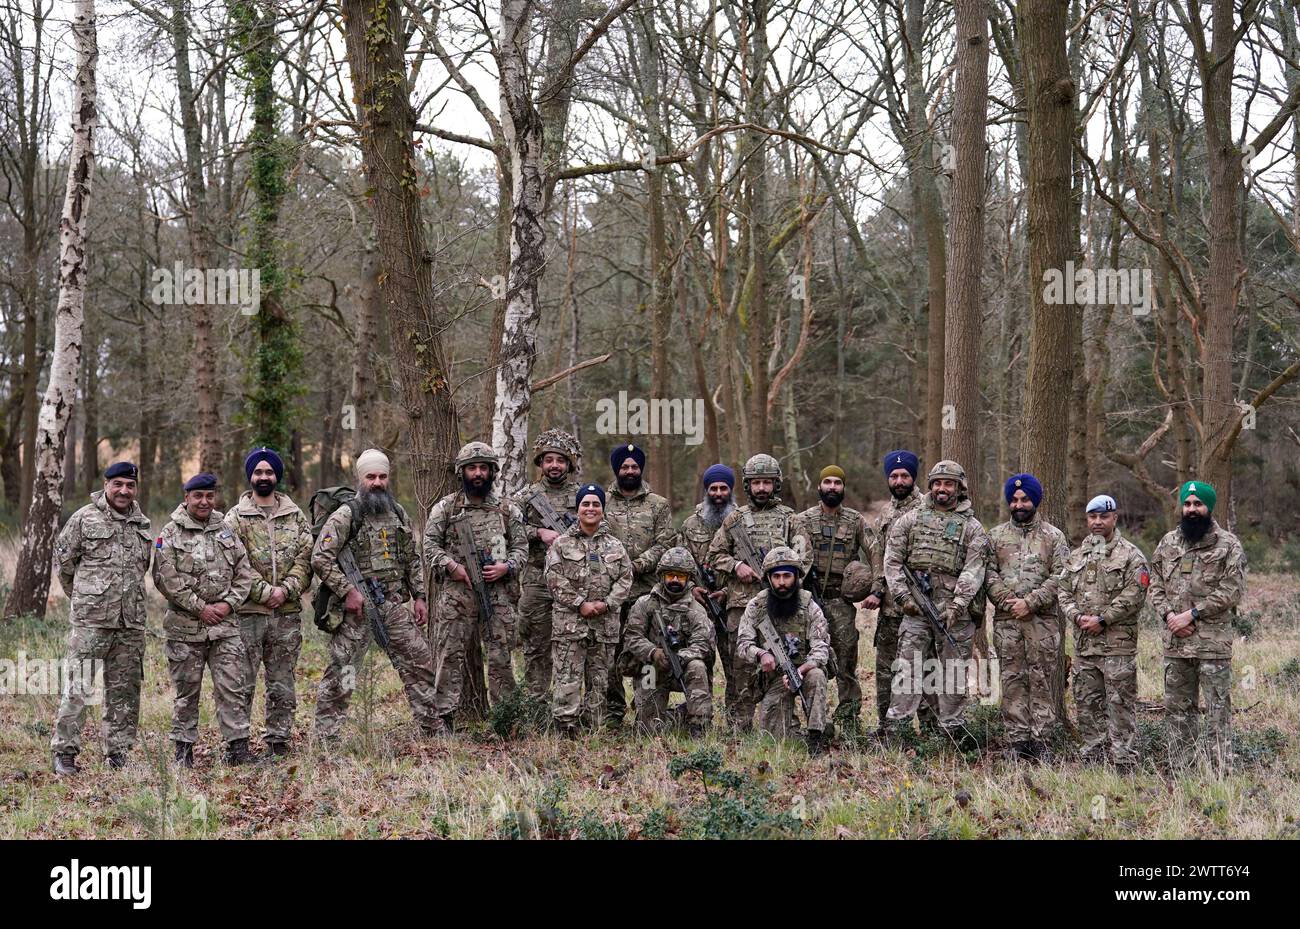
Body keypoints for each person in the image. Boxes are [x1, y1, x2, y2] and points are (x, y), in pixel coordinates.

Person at [312, 449, 439, 742]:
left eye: (382, 476)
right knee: (343, 673)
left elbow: (411, 558)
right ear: (360, 479)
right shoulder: (346, 515)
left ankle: (433, 730)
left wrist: (420, 595)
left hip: (393, 604)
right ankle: (325, 740)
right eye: (371, 477)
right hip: (357, 610)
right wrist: (348, 592)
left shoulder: (397, 512)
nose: (377, 482)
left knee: (420, 660)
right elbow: (320, 558)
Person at [50, 462, 153, 775]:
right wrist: (85, 599)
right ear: (106, 484)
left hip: (130, 624)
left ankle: (118, 755)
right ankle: (64, 753)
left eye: (130, 485)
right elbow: (64, 563)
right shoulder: (84, 518)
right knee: (78, 689)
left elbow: (142, 569)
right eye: (118, 484)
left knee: (124, 693)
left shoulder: (142, 523)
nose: (124, 491)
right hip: (91, 623)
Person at [152, 472, 256, 767]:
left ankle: (237, 750)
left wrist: (227, 604)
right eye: (198, 496)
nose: (204, 501)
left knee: (233, 688)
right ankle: (183, 753)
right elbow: (164, 578)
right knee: (187, 692)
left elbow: (244, 572)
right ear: (186, 498)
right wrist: (200, 608)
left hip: (225, 628)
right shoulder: (169, 534)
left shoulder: (226, 530)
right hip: (186, 629)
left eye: (209, 496)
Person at [883, 460, 990, 743]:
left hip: (954, 611)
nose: (943, 489)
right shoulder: (910, 520)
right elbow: (892, 561)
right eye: (938, 483)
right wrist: (904, 597)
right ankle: (899, 728)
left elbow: (974, 569)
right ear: (931, 486)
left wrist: (956, 606)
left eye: (949, 484)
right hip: (916, 607)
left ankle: (951, 729)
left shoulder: (973, 527)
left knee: (953, 672)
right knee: (908, 668)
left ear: (959, 487)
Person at [424, 442, 527, 727]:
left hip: (498, 597)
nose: (478, 473)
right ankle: (442, 719)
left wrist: (507, 566)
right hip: (457, 597)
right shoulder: (446, 508)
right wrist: (452, 566)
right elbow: (429, 545)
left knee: (501, 658)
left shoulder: (508, 510)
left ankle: (506, 719)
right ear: (462, 472)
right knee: (449, 656)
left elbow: (521, 548)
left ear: (493, 471)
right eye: (472, 468)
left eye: (484, 468)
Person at [1148, 480, 1247, 771]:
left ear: (1208, 507)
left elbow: (1232, 590)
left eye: (1197, 504)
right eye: (1187, 504)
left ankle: (1219, 770)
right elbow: (1154, 583)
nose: (1191, 509)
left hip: (1211, 644)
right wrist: (1169, 617)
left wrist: (1191, 614)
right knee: (1178, 710)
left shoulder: (1228, 544)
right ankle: (1181, 769)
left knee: (1217, 709)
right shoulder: (1167, 543)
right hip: (1176, 644)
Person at [224, 446, 313, 756]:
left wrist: (285, 590)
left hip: (286, 614)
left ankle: (278, 740)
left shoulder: (295, 515)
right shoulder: (234, 518)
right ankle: (237, 745)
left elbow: (306, 557)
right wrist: (264, 592)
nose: (264, 477)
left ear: (277, 476)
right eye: (258, 472)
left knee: (282, 681)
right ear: (250, 476)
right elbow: (234, 563)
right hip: (248, 613)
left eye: (269, 472)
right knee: (240, 681)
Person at [1057, 494, 1149, 768]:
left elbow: (1135, 594)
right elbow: (1063, 591)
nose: (1097, 522)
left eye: (1103, 517)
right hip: (1085, 647)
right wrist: (1076, 615)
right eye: (1092, 517)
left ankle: (1124, 761)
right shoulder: (1076, 556)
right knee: (1087, 705)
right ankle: (1093, 759)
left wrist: (1103, 619)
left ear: (1114, 518)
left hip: (1117, 647)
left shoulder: (1131, 555)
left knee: (1121, 706)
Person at [985, 473, 1070, 760]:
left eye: (1025, 499)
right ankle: (1017, 741)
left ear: (1036, 500)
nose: (1019, 504)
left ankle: (1042, 741)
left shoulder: (1054, 537)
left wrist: (1030, 603)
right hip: (1007, 624)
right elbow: (987, 574)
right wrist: (1008, 603)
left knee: (1041, 680)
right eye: (1014, 499)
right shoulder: (995, 537)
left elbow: (1062, 576)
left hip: (1042, 623)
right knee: (1011, 679)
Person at [544, 484, 634, 736]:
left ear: (603, 511)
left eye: (596, 504)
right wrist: (579, 603)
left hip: (604, 625)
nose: (591, 509)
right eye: (586, 504)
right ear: (578, 509)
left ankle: (593, 728)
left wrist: (606, 604)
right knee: (567, 677)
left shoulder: (616, 546)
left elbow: (626, 579)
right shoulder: (561, 544)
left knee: (599, 678)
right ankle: (566, 728)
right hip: (570, 625)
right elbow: (553, 578)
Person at [792, 465, 872, 733]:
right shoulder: (802, 520)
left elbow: (875, 553)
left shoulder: (855, 520)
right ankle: (814, 719)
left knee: (846, 660)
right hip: (809, 601)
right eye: (827, 482)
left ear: (843, 487)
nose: (832, 487)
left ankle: (849, 718)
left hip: (841, 602)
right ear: (819, 486)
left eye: (838, 482)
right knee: (810, 659)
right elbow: (793, 559)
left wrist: (875, 587)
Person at [601, 443, 673, 729]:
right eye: (624, 466)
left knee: (648, 651)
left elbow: (665, 542)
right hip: (611, 592)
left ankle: (646, 707)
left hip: (647, 592)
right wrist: (617, 568)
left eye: (634, 466)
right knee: (610, 653)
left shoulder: (658, 504)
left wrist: (639, 564)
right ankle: (613, 711)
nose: (629, 471)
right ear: (616, 469)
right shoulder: (601, 501)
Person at [735, 547, 831, 753]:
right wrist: (761, 654)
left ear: (796, 577)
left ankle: (816, 736)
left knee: (817, 676)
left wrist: (802, 670)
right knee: (774, 738)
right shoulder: (756, 606)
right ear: (768, 578)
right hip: (774, 677)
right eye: (776, 576)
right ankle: (794, 727)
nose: (781, 582)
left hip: (803, 671)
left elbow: (821, 648)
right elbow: (743, 644)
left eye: (787, 576)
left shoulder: (809, 606)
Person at [512, 429, 583, 701]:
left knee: (571, 645)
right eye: (549, 460)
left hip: (574, 580)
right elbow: (508, 528)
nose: (555, 465)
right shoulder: (526, 497)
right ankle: (536, 702)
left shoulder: (582, 496)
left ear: (569, 464)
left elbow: (601, 526)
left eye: (560, 460)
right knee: (536, 644)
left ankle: (568, 704)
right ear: (540, 463)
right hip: (537, 580)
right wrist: (538, 533)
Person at [623, 547, 715, 736]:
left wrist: (681, 657)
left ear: (688, 579)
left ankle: (698, 725)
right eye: (671, 575)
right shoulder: (644, 604)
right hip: (652, 668)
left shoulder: (696, 610)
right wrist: (653, 653)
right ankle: (672, 717)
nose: (674, 580)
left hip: (683, 668)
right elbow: (632, 636)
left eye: (680, 577)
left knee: (697, 666)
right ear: (662, 576)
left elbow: (702, 645)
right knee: (647, 731)